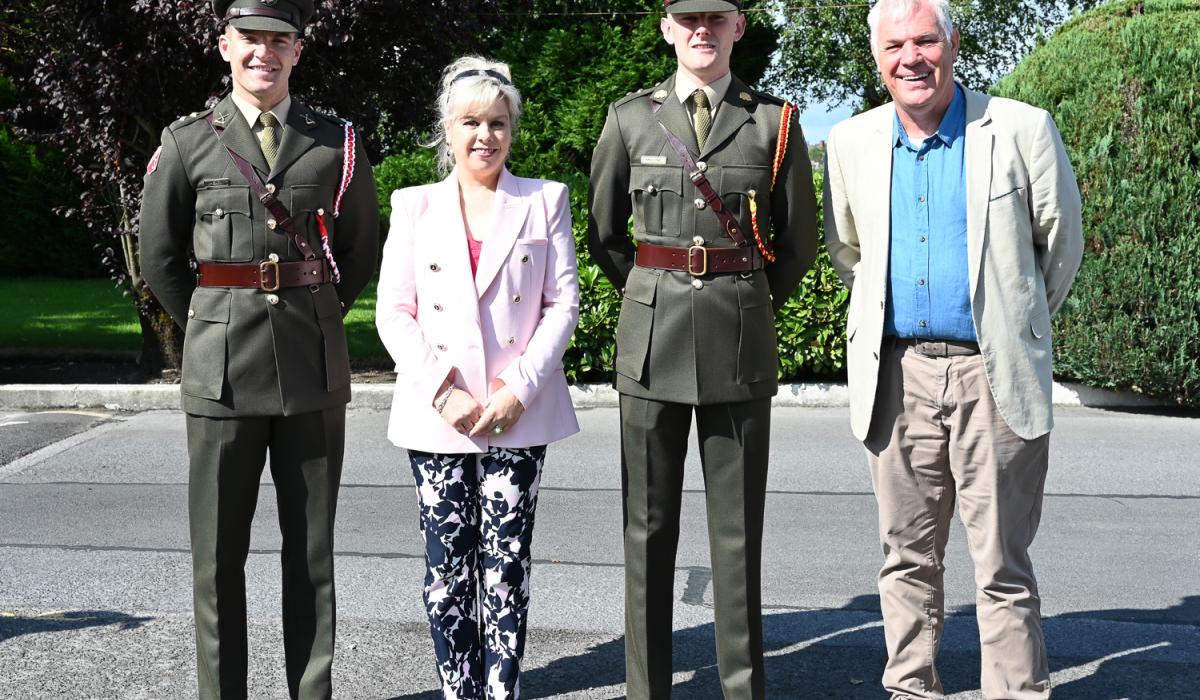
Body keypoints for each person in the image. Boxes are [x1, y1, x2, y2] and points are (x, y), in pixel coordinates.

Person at [823, 0, 1084, 697]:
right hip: (897, 375)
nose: (911, 57)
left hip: (992, 374)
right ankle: (910, 687)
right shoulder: (850, 142)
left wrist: (1011, 320)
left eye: (925, 40)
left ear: (953, 43)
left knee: (1001, 564)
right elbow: (848, 250)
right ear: (877, 57)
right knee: (905, 557)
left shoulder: (1021, 129)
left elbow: (1059, 246)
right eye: (895, 45)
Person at [137, 1, 379, 697]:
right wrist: (213, 324)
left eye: (279, 40)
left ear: (298, 51)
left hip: (311, 369)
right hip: (221, 377)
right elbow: (160, 258)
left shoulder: (335, 142)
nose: (263, 53)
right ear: (225, 45)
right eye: (250, 39)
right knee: (218, 559)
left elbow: (360, 249)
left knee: (312, 556)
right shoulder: (188, 141)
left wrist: (316, 314)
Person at [587, 1, 818, 697]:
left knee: (738, 537)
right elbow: (606, 235)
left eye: (716, 18)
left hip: (738, 344)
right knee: (646, 530)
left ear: (738, 27)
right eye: (687, 19)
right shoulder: (630, 119)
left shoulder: (773, 122)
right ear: (666, 28)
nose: (701, 31)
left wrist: (742, 300)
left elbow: (798, 243)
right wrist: (657, 295)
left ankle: (741, 690)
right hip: (651, 345)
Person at [375, 56, 580, 700]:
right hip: (440, 413)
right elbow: (393, 310)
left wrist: (519, 388)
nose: (484, 136)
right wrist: (444, 391)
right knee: (447, 571)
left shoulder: (544, 200)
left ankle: (501, 690)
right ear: (448, 128)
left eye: (497, 123)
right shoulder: (413, 205)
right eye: (470, 122)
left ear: (512, 129)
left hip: (517, 411)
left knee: (506, 565)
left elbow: (561, 305)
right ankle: (457, 690)